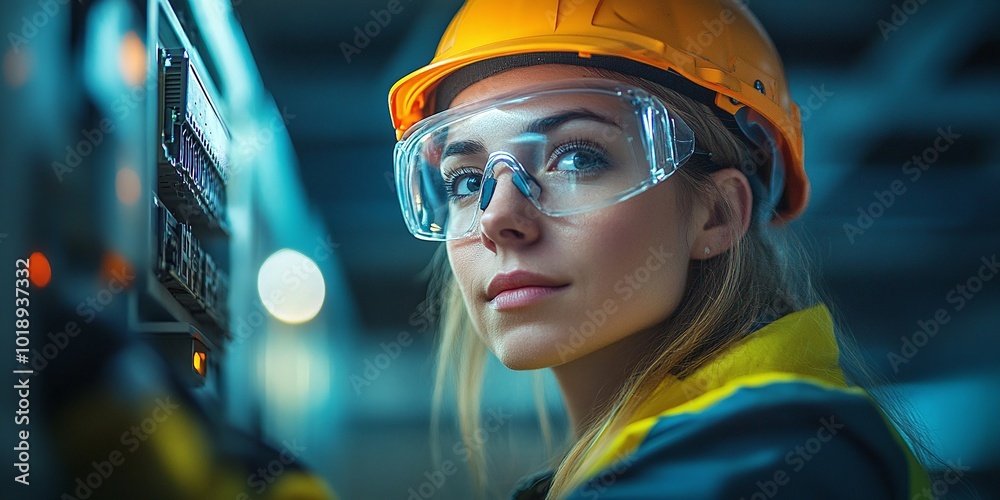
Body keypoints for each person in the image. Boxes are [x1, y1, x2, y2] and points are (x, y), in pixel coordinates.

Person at [387, 0, 934, 498]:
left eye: (577, 158)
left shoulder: (786, 457)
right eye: (465, 181)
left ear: (716, 215)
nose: (497, 216)